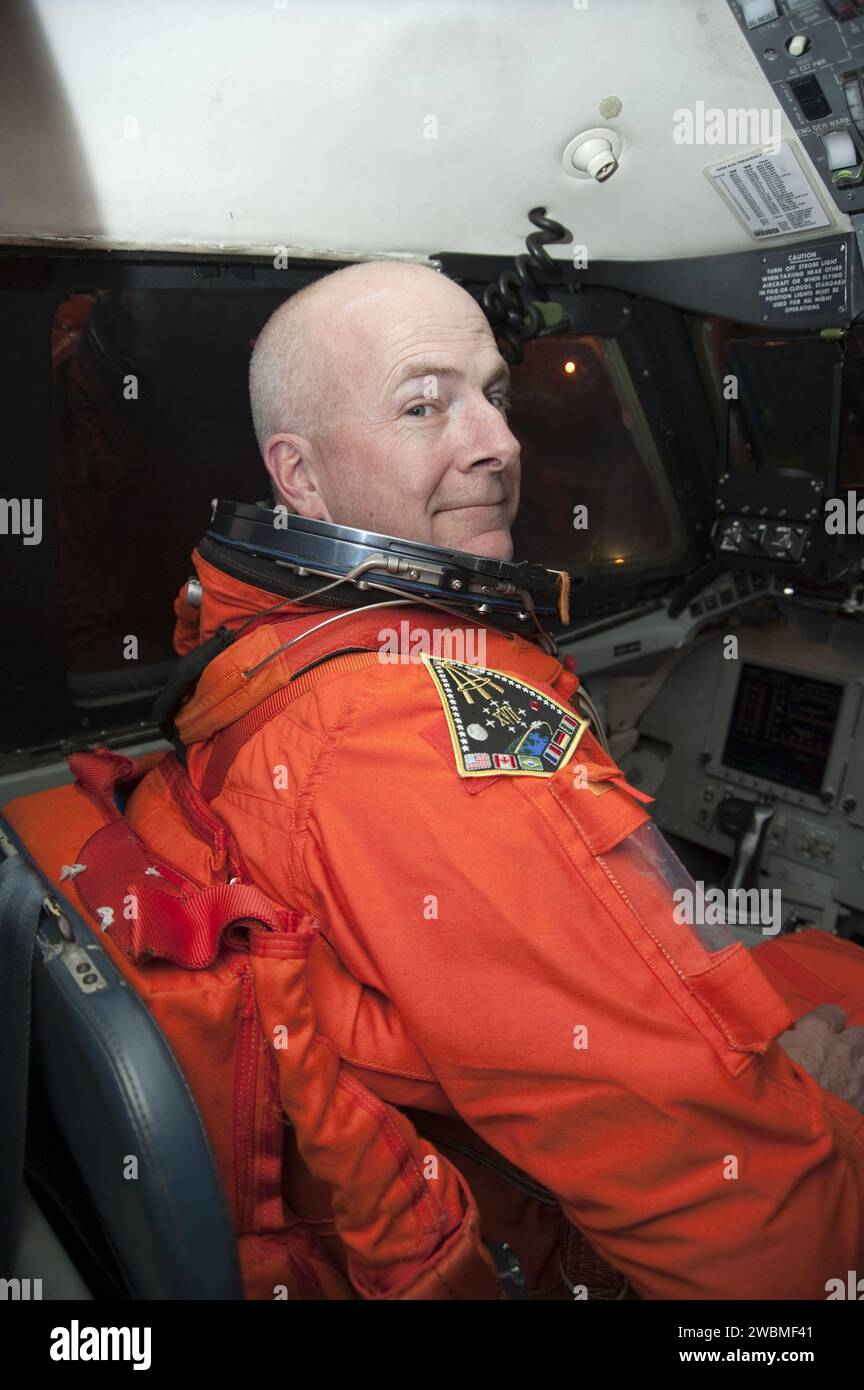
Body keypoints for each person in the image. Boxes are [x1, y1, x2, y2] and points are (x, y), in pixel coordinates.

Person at [125, 260, 864, 1300]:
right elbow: (725, 1207)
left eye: (495, 393)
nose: (500, 443)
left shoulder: (269, 644)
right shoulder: (416, 734)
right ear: (299, 475)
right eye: (425, 405)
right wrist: (823, 1110)